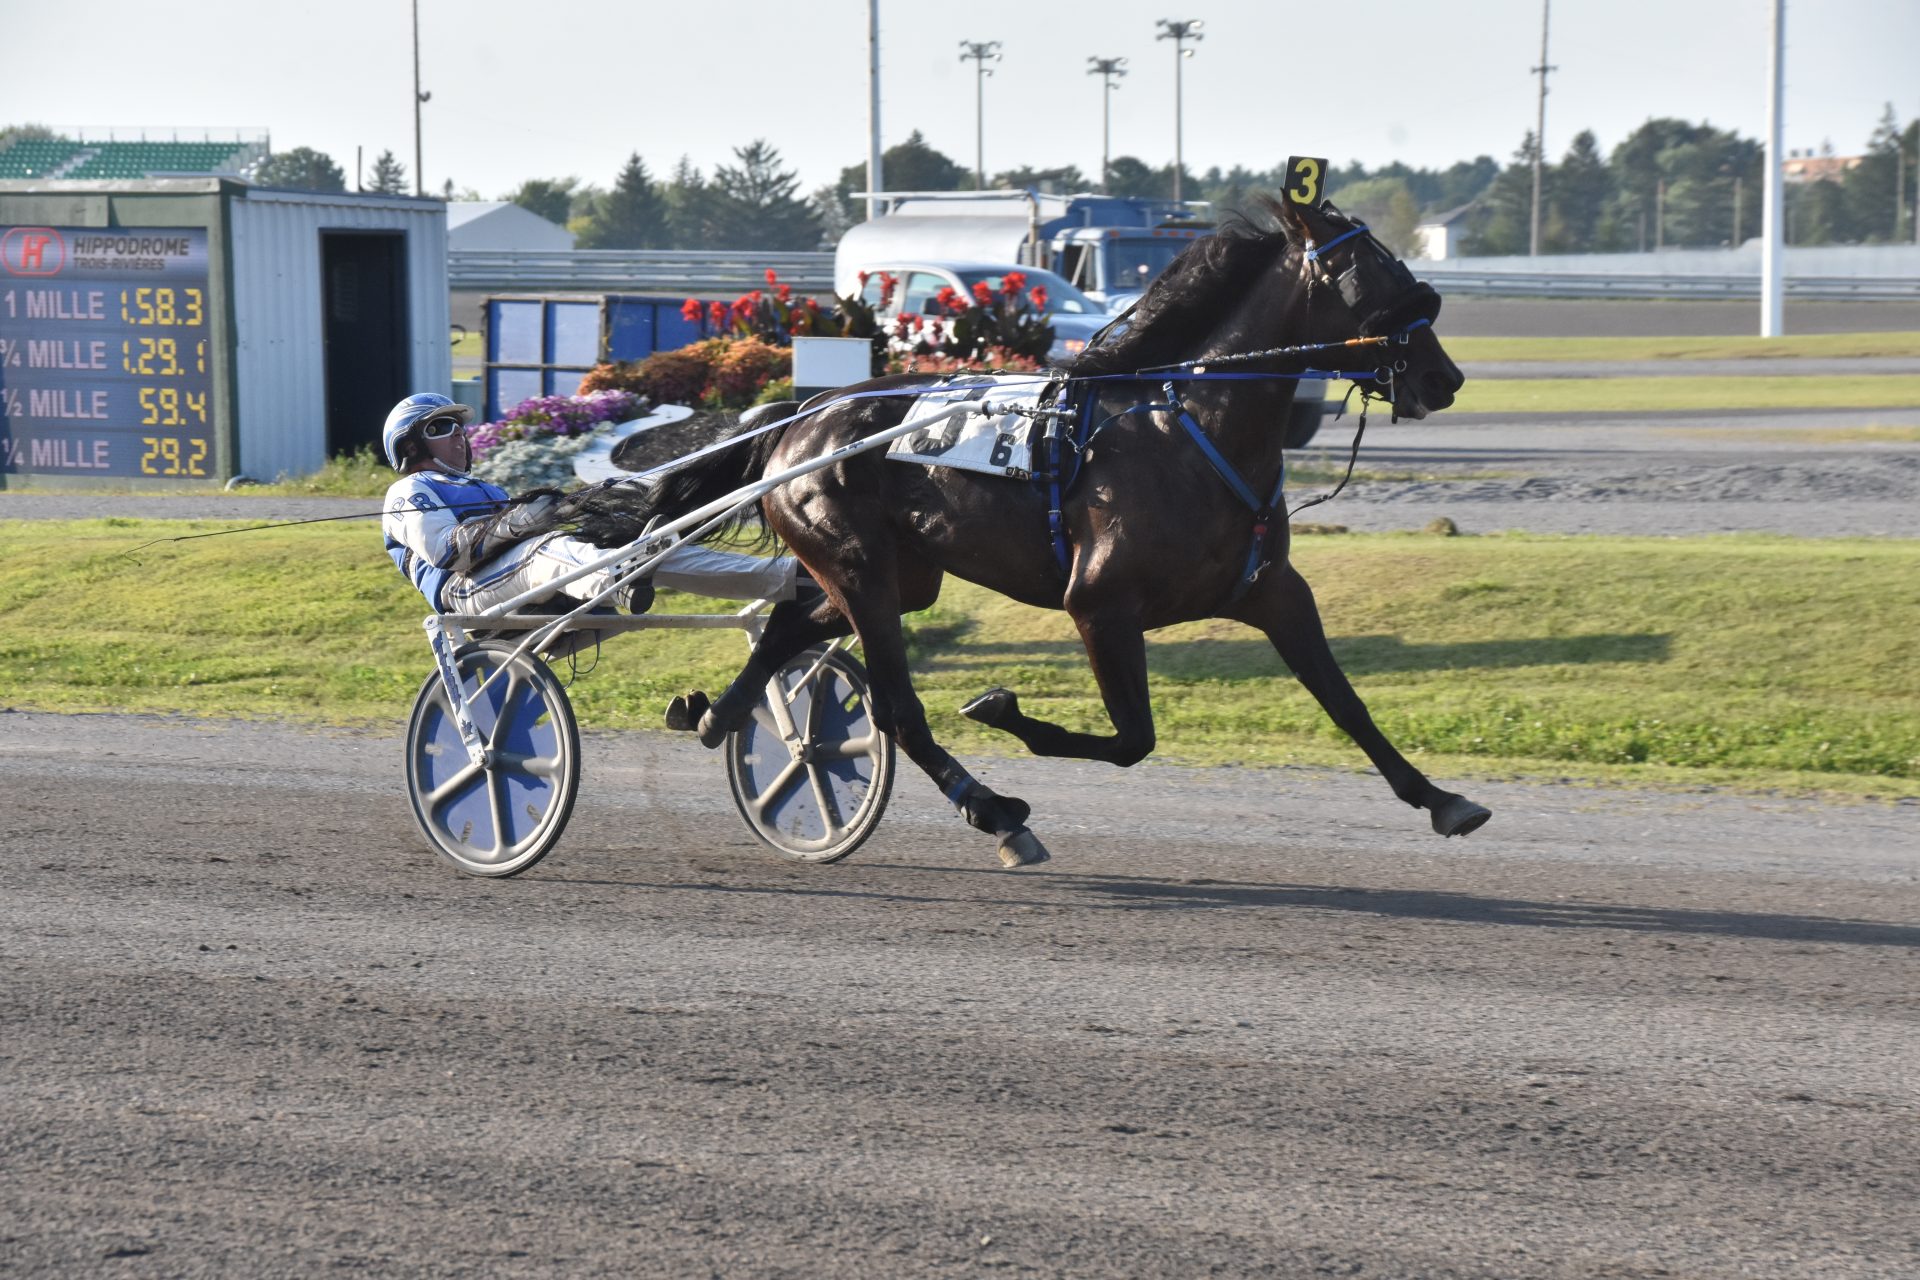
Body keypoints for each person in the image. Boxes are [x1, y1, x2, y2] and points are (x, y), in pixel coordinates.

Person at [379, 392, 804, 616]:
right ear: (411, 445)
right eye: (441, 427)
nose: (458, 434)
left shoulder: (483, 487)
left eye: (458, 425)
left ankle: (787, 579)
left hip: (515, 575)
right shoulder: (407, 492)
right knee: (542, 551)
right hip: (464, 592)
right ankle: (615, 577)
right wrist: (521, 523)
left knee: (650, 548)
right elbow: (446, 552)